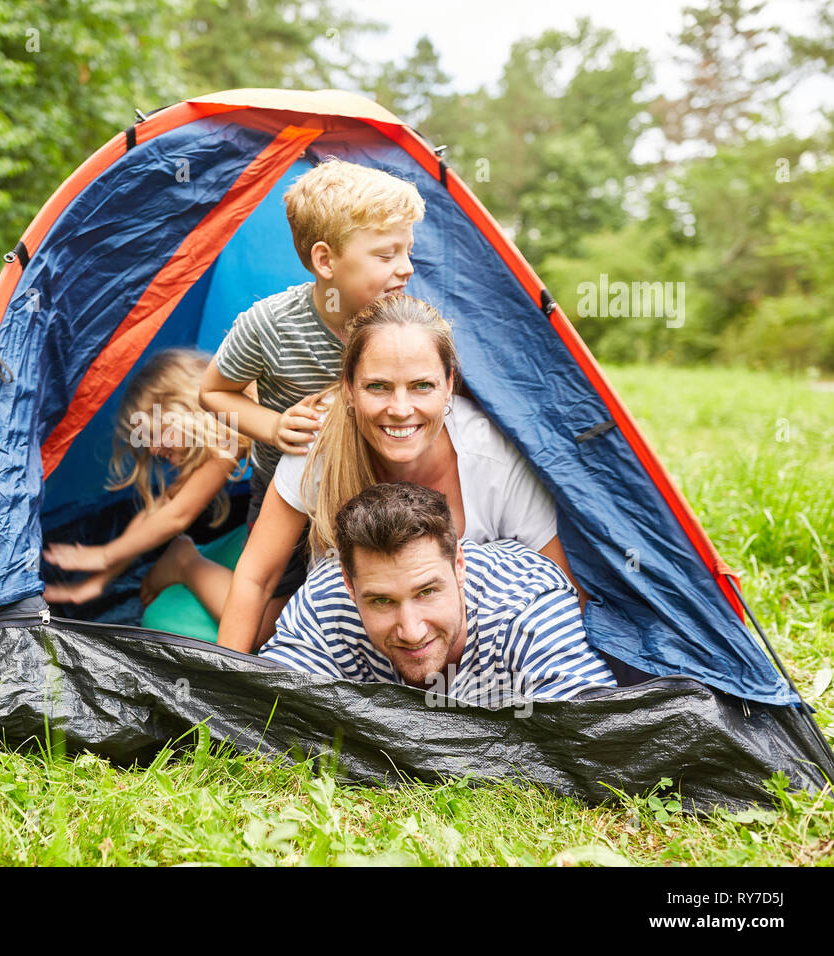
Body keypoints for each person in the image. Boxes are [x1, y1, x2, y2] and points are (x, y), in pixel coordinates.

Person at [215, 292, 582, 653]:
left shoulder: (493, 456)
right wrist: (219, 691)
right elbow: (256, 578)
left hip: (474, 657)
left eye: (422, 386)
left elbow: (559, 590)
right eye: (378, 387)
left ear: (449, 385)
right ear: (349, 387)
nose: (400, 409)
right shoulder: (320, 445)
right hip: (353, 658)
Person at [197, 158, 427, 619]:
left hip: (373, 484)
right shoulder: (269, 324)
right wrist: (275, 425)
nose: (405, 269)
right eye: (385, 255)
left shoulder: (406, 323)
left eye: (408, 251)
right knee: (268, 617)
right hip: (286, 489)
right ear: (325, 260)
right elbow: (213, 392)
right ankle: (184, 564)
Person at [259, 482, 616, 703]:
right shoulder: (325, 604)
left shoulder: (526, 605)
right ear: (349, 586)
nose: (411, 631)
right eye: (382, 600)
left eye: (427, 592)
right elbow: (265, 714)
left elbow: (592, 731)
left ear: (458, 566)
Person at [42, 348, 249, 608]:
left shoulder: (232, 423)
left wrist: (105, 555)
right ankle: (184, 559)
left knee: (257, 620)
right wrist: (94, 583)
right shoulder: (223, 431)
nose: (151, 450)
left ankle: (185, 560)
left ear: (181, 408)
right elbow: (160, 507)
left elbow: (177, 516)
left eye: (154, 434)